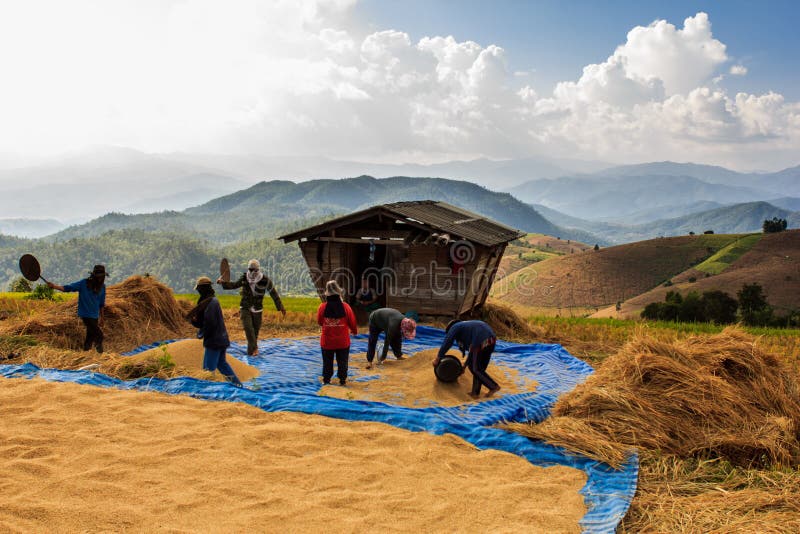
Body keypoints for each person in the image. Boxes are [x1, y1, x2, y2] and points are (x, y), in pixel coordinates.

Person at [217, 259, 286, 356]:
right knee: (248, 329)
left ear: (258, 269)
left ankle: (251, 353)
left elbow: (273, 293)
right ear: (248, 269)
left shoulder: (265, 280)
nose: (252, 272)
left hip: (258, 309)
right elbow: (234, 285)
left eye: (255, 270)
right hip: (245, 307)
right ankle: (255, 349)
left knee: (255, 333)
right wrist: (223, 283)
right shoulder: (245, 278)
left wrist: (281, 307)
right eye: (250, 269)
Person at [188, 276, 242, 387]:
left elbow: (209, 324)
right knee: (221, 364)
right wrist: (193, 321)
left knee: (207, 370)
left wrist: (201, 333)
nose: (198, 291)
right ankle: (238, 385)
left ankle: (205, 391)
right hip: (221, 339)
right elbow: (203, 322)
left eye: (199, 289)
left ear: (203, 289)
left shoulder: (211, 303)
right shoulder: (210, 301)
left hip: (214, 341)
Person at [47, 265, 107, 353]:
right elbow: (68, 288)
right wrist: (54, 286)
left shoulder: (102, 287)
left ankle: (86, 353)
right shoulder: (84, 283)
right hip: (86, 314)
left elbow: (101, 304)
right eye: (98, 277)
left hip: (94, 316)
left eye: (101, 277)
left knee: (90, 337)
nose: (100, 279)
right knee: (99, 335)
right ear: (93, 276)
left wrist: (102, 317)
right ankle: (101, 356)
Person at [433, 319, 500, 398]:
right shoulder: (467, 328)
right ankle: (475, 393)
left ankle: (493, 386)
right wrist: (464, 366)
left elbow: (448, 341)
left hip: (481, 340)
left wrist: (438, 357)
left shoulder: (455, 327)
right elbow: (472, 353)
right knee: (479, 368)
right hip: (491, 340)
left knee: (475, 368)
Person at [316, 280, 358, 385]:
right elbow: (352, 322)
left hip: (327, 342)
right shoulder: (346, 307)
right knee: (342, 362)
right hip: (343, 342)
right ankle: (342, 381)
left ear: (327, 293)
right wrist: (354, 331)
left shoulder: (322, 307)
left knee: (327, 363)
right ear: (339, 292)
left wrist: (330, 325)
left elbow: (320, 322)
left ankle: (326, 381)